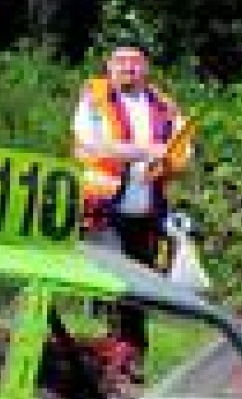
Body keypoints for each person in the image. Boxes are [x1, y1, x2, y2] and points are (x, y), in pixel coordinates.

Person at [72, 45, 192, 363]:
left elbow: (182, 151)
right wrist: (145, 151)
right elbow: (91, 146)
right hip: (104, 209)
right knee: (111, 283)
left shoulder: (163, 105)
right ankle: (106, 357)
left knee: (141, 286)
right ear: (109, 66)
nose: (128, 68)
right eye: (121, 61)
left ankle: (133, 359)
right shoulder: (94, 98)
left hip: (147, 211)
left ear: (145, 67)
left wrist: (168, 158)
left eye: (134, 62)